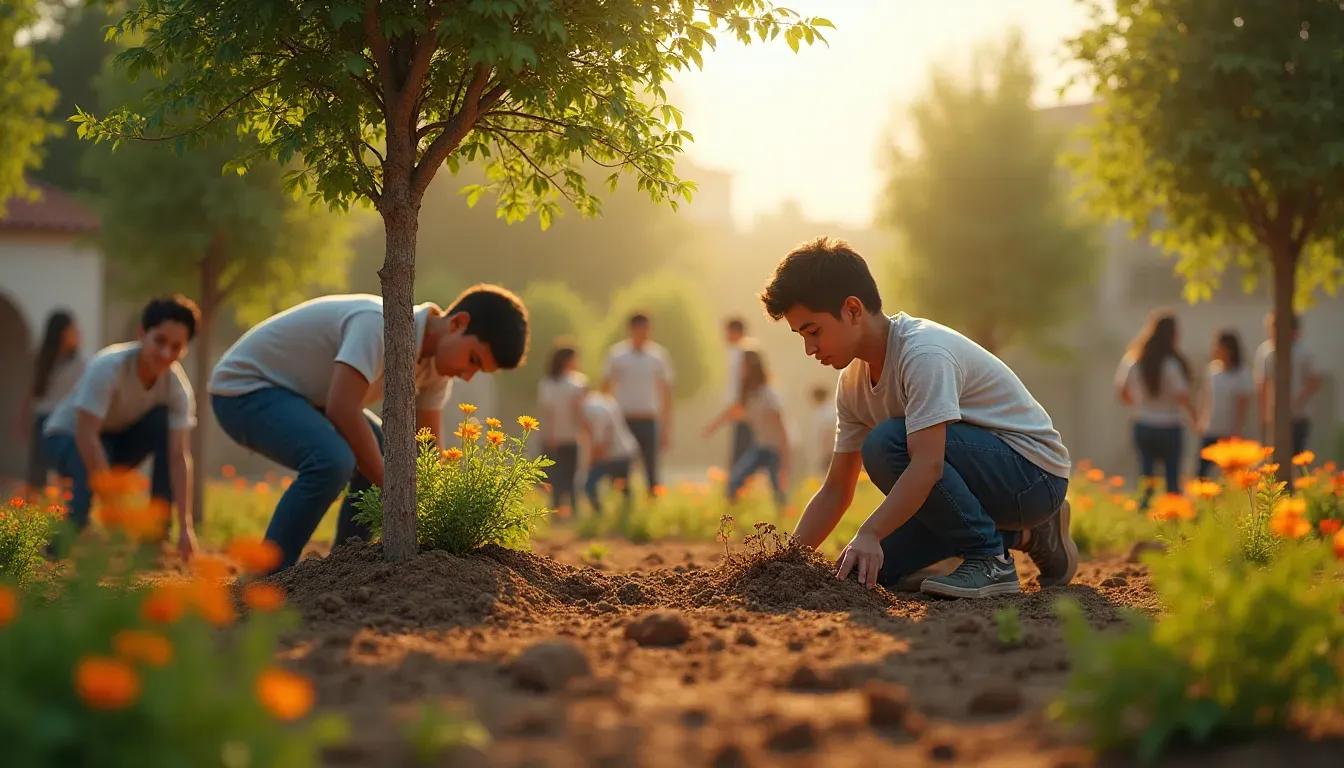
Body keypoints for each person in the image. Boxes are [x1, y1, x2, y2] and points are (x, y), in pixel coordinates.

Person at [759, 237, 1075, 599]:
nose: (809, 348)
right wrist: (786, 563)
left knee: (886, 442)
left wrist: (871, 532)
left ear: (852, 310)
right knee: (866, 574)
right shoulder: (852, 385)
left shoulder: (922, 354)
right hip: (980, 486)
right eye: (801, 336)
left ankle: (989, 559)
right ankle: (1030, 536)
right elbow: (835, 491)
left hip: (1033, 477)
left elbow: (927, 466)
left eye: (813, 331)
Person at [209, 287, 529, 572]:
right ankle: (267, 578)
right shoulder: (381, 324)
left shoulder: (437, 372)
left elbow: (425, 454)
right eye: (473, 360)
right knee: (333, 460)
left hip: (304, 399)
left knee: (383, 453)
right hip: (244, 389)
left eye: (479, 371)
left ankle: (345, 567)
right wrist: (396, 494)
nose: (468, 376)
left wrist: (444, 515)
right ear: (458, 322)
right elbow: (342, 409)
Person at [43, 296, 200, 559]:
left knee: (161, 420)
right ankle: (59, 546)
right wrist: (114, 507)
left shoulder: (177, 389)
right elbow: (86, 435)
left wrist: (186, 528)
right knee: (87, 473)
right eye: (160, 341)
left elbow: (178, 456)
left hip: (113, 443)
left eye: (176, 347)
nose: (166, 354)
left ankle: (156, 537)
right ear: (142, 333)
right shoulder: (108, 367)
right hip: (66, 437)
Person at [1115, 311, 1196, 508]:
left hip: (1143, 424)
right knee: (1172, 479)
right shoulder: (1171, 364)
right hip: (1169, 425)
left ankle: (1143, 514)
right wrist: (1195, 418)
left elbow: (1121, 391)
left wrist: (1139, 405)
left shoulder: (1133, 359)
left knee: (1146, 477)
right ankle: (1173, 520)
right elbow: (1182, 396)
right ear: (1171, 335)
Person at [704, 346, 791, 509]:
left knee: (778, 489)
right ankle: (730, 516)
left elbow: (783, 426)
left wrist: (785, 458)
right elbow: (733, 413)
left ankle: (786, 524)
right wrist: (713, 427)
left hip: (776, 449)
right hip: (761, 446)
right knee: (734, 480)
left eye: (743, 365)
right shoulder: (750, 395)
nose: (740, 370)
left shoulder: (769, 394)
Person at [601, 313, 674, 497]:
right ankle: (623, 506)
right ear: (631, 329)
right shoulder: (617, 355)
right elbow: (606, 389)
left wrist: (666, 426)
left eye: (646, 329)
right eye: (640, 328)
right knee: (621, 468)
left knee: (651, 467)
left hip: (649, 419)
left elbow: (665, 393)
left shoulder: (658, 357)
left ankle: (652, 504)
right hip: (623, 419)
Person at [18, 310, 85, 494]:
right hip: (42, 418)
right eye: (72, 329)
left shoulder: (80, 361)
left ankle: (66, 512)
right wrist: (23, 418)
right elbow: (32, 391)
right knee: (37, 471)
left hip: (65, 421)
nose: (77, 332)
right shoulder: (43, 358)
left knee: (66, 468)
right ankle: (32, 513)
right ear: (61, 332)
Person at [1254, 312, 1319, 457]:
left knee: (1297, 456)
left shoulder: (1303, 352)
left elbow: (1313, 382)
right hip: (1274, 417)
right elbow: (1263, 385)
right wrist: (1264, 416)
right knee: (1274, 458)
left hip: (1298, 416)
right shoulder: (1266, 352)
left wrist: (1296, 402)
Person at [537, 338, 588, 513]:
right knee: (571, 474)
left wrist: (550, 434)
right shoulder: (578, 382)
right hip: (571, 436)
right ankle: (573, 509)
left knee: (555, 475)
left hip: (553, 437)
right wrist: (585, 430)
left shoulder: (547, 383)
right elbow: (579, 411)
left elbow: (548, 413)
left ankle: (556, 508)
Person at [1196, 329, 1253, 478]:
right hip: (1211, 429)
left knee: (1229, 475)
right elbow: (1207, 397)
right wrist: (1202, 420)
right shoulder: (1212, 370)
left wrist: (1236, 430)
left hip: (1228, 432)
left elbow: (1243, 404)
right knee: (1201, 473)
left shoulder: (1241, 374)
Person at [582, 390, 639, 514]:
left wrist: (592, 460)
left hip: (615, 455)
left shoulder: (590, 409)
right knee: (621, 488)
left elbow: (603, 437)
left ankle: (600, 515)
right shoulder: (601, 401)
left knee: (590, 485)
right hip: (626, 450)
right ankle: (626, 516)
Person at [722, 317, 754, 470]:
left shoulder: (744, 352)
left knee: (743, 449)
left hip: (744, 409)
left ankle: (737, 486)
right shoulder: (738, 351)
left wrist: (741, 406)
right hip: (740, 408)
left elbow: (746, 382)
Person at [808, 384, 837, 477]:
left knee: (828, 475)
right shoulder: (829, 410)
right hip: (830, 449)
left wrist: (825, 452)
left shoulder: (825, 412)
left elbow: (827, 433)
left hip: (828, 451)